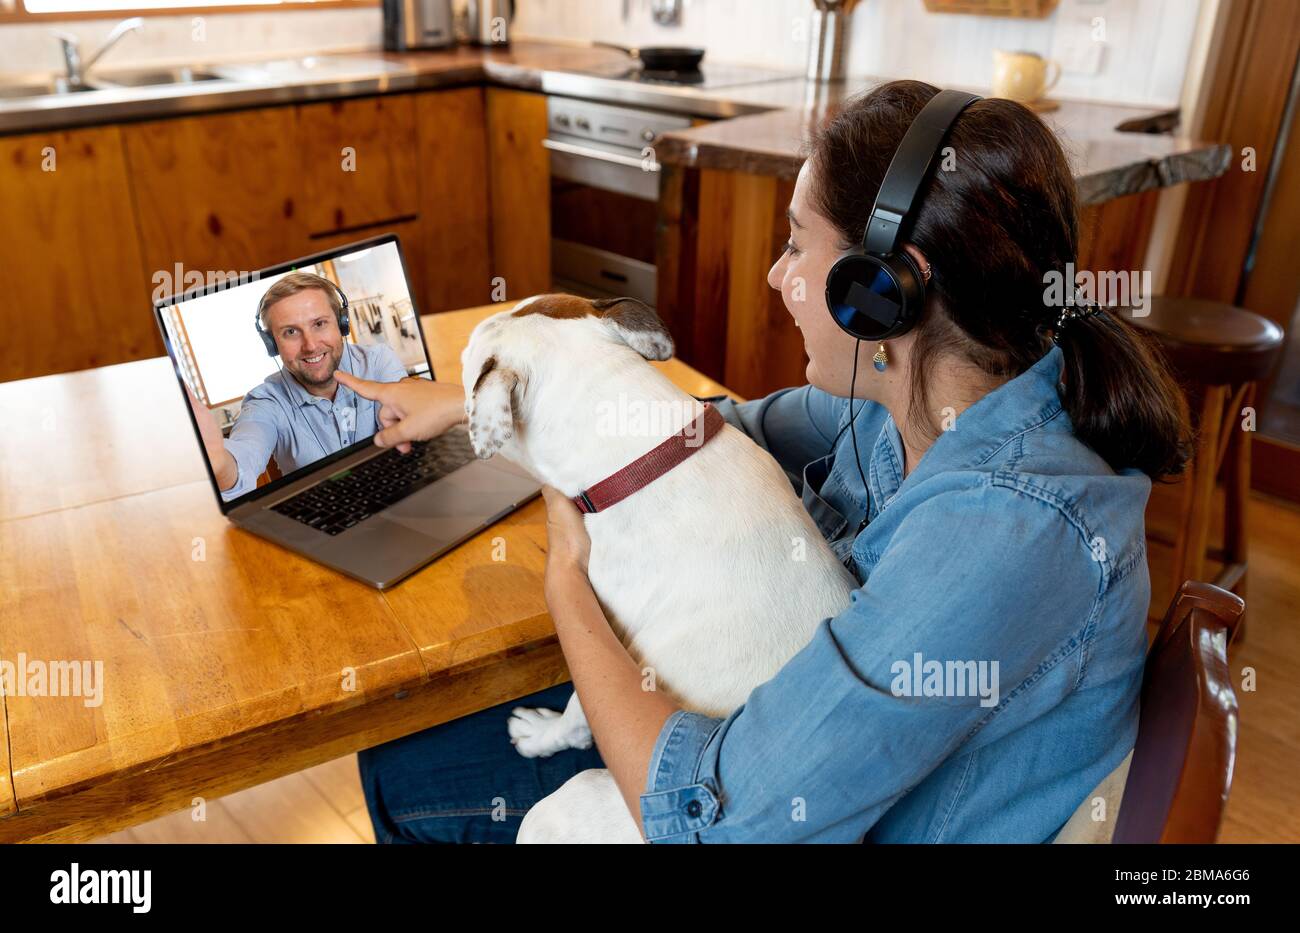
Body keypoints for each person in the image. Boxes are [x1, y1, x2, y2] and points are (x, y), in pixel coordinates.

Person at [342, 80, 1191, 843]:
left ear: (884, 287)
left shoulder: (1006, 531)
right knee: (418, 746)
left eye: (797, 245)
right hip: (792, 762)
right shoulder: (910, 402)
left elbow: (717, 824)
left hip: (791, 815)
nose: (775, 273)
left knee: (400, 776)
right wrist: (481, 402)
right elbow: (705, 434)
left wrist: (567, 582)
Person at [187, 273, 410, 500]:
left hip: (399, 495)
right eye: (290, 332)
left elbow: (411, 430)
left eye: (320, 324)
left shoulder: (378, 362)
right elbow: (246, 452)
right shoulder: (266, 401)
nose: (311, 346)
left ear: (342, 324)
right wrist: (220, 464)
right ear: (272, 344)